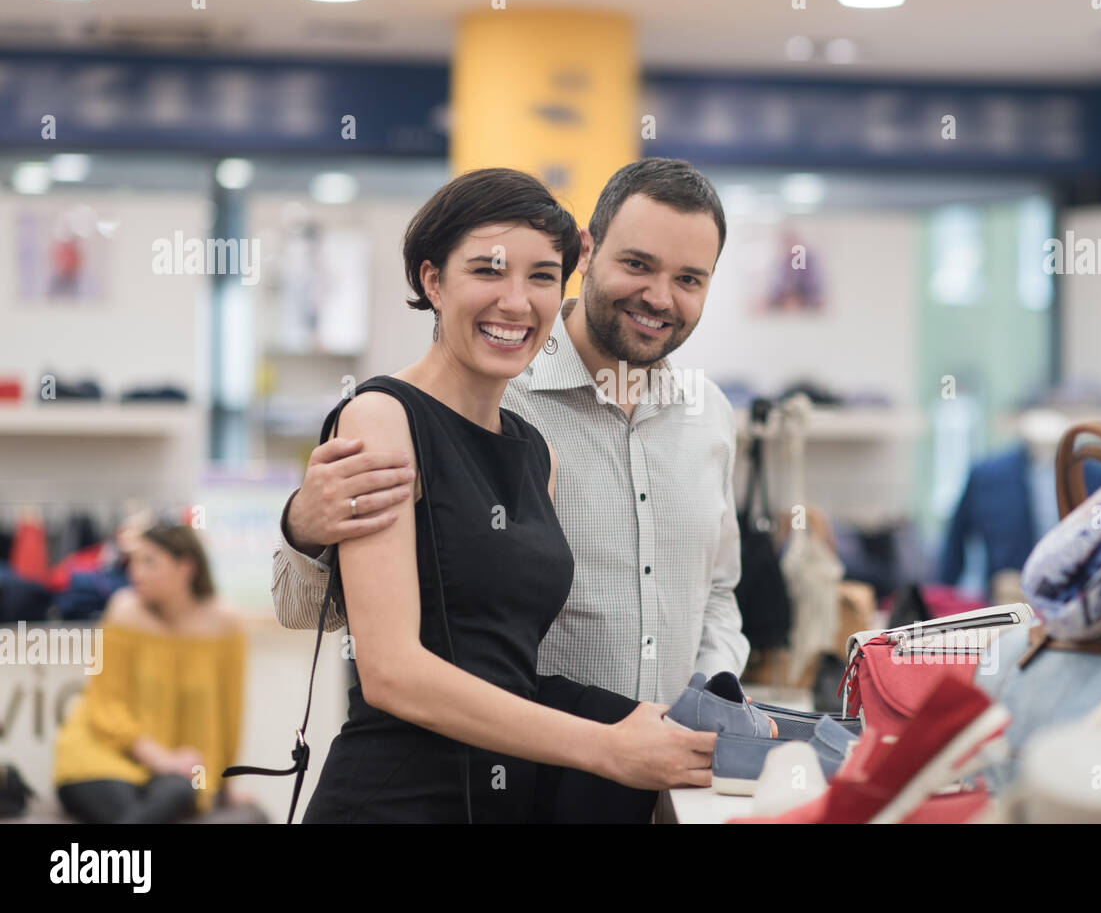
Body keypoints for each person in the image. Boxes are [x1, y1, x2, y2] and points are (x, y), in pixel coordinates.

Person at [275, 158, 752, 821]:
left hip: (621, 786)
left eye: (689, 279)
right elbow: (341, 630)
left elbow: (720, 590)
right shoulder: (433, 405)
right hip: (485, 784)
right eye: (638, 264)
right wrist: (304, 522)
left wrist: (707, 706)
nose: (660, 296)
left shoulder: (572, 442)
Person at [53, 521, 248, 823]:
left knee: (178, 793)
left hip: (175, 774)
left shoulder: (225, 624)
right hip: (100, 757)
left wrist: (225, 782)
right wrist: (163, 759)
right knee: (148, 805)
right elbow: (106, 706)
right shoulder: (123, 611)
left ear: (185, 566)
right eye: (133, 561)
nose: (136, 572)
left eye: (150, 562)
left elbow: (230, 714)